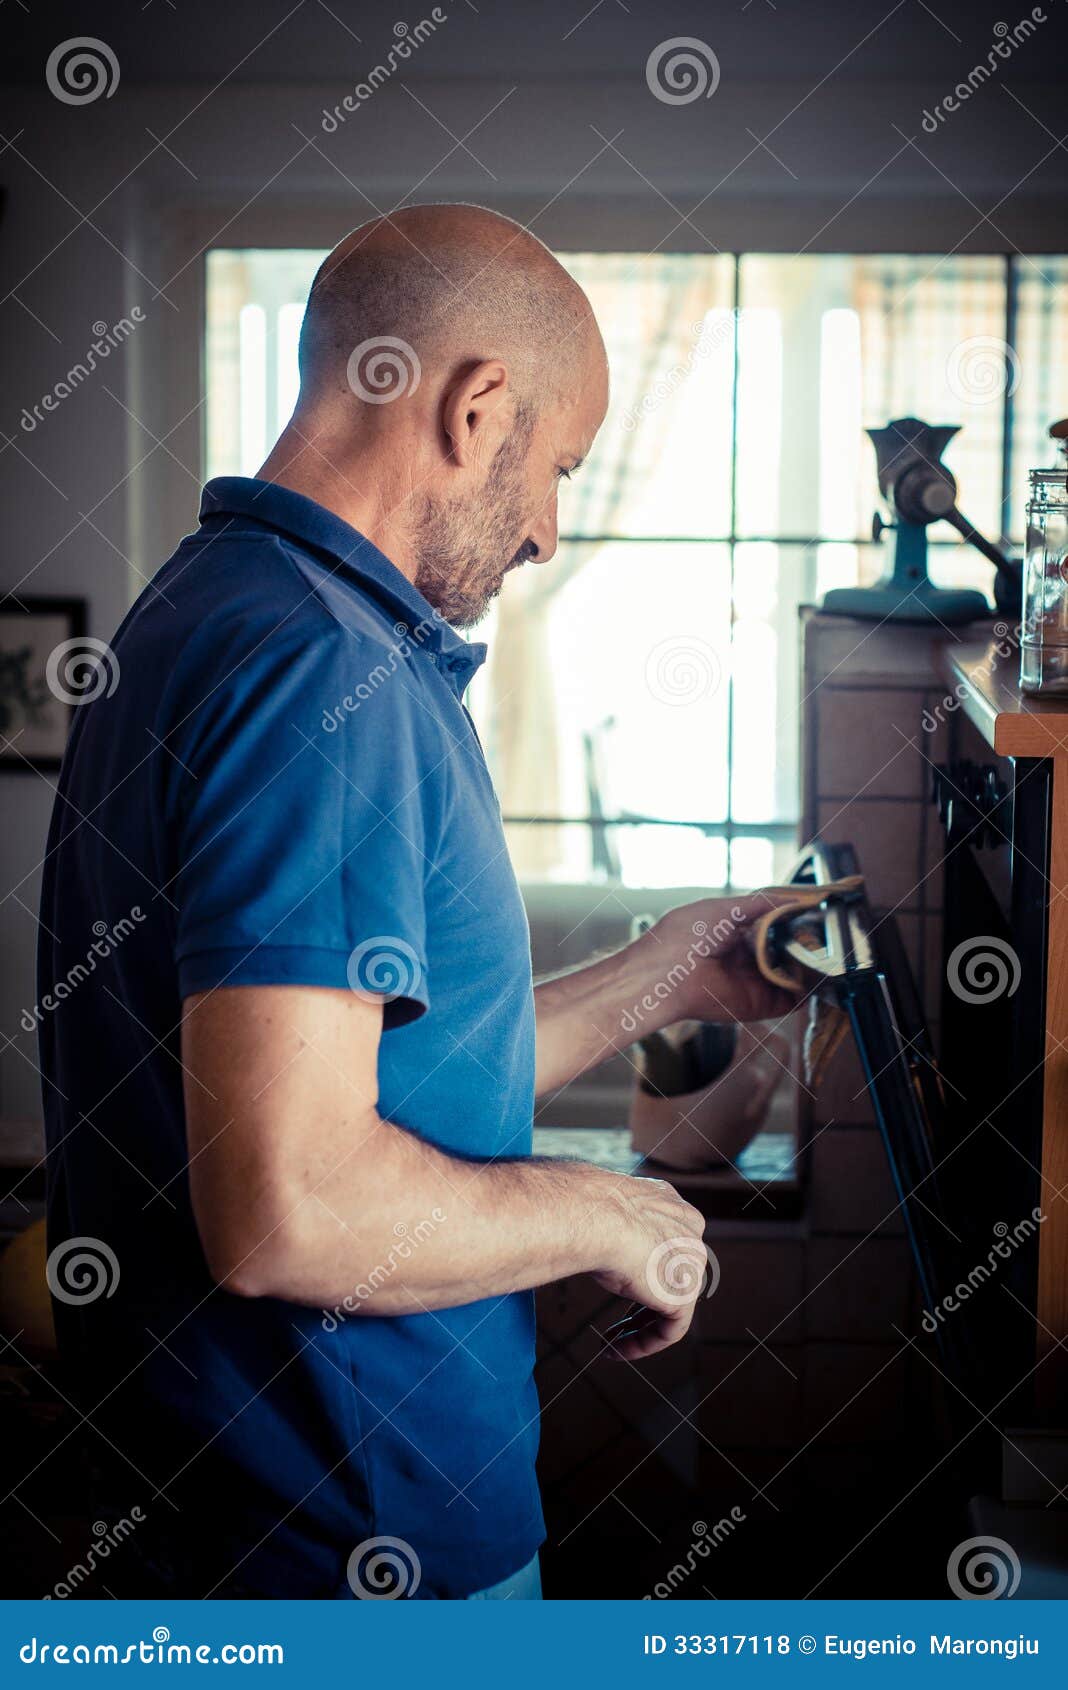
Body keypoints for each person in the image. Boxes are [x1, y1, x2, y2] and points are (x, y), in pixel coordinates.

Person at [38, 203, 795, 1600]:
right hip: (339, 1550)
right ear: (476, 406)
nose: (552, 531)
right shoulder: (321, 676)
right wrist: (611, 1213)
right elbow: (293, 1205)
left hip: (226, 1518)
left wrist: (672, 963)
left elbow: (393, 1063)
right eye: (559, 468)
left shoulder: (217, 612)